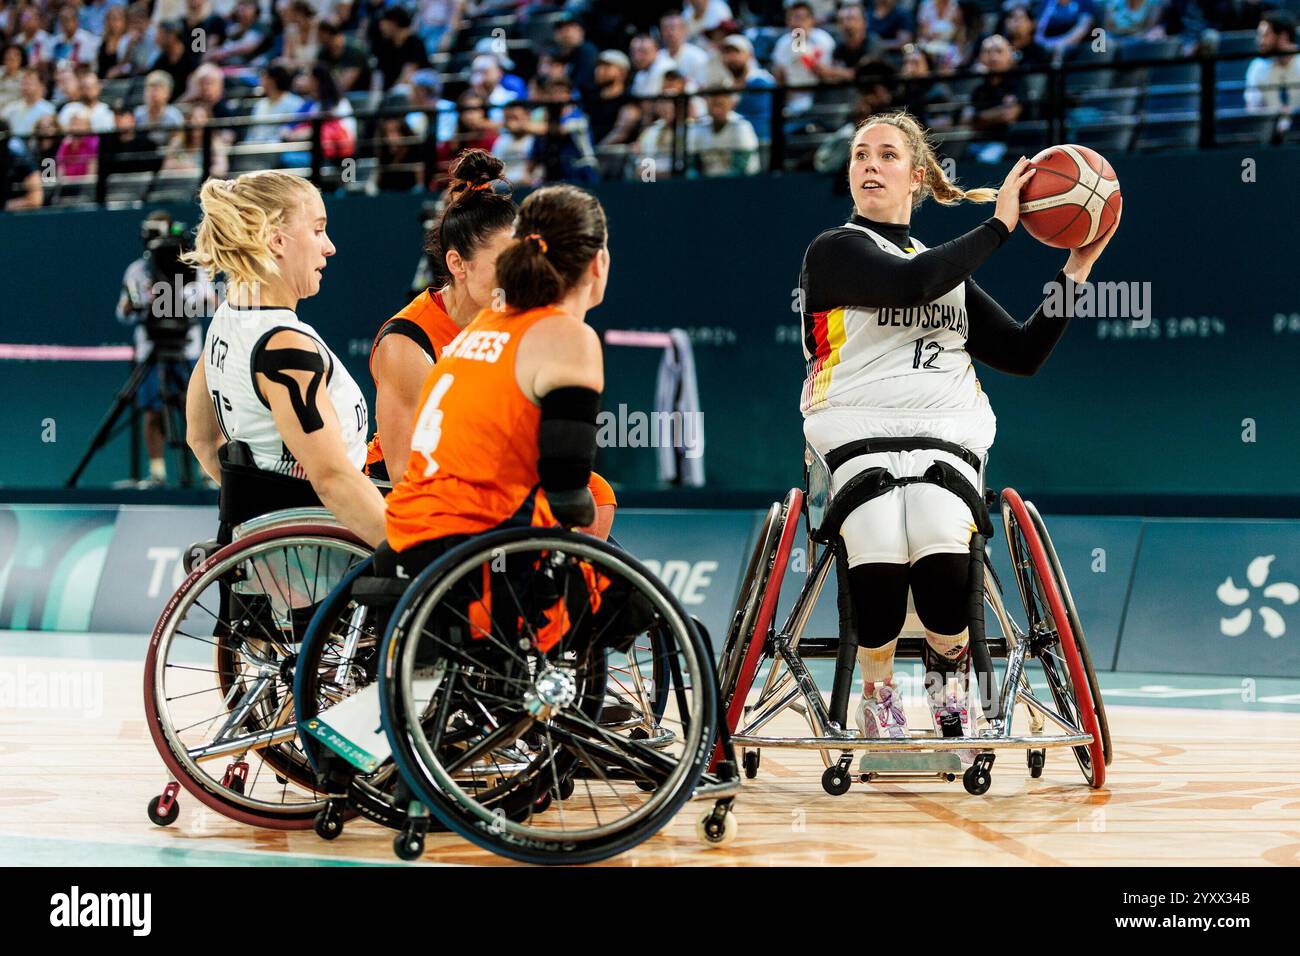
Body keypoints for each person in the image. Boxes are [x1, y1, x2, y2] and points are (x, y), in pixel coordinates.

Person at [797, 110, 1120, 742]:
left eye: (887, 155)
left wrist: (1076, 269)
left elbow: (1024, 354)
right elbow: (911, 282)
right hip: (856, 429)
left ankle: (950, 687)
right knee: (882, 559)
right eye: (861, 155)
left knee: (945, 558)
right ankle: (878, 695)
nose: (869, 165)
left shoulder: (950, 277)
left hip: (945, 431)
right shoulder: (835, 250)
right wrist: (1001, 223)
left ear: (917, 177)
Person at [380, 181, 610, 579]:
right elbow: (404, 468)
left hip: (443, 518)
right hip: (450, 519)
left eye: (517, 255)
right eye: (505, 258)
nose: (515, 269)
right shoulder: (408, 338)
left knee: (598, 493)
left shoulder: (494, 323)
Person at [184, 170, 385, 545]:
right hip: (319, 558)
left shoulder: (225, 320)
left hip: (269, 551)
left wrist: (251, 515)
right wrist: (411, 551)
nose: (329, 247)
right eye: (318, 230)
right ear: (277, 240)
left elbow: (200, 438)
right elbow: (332, 480)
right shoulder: (285, 348)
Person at [116, 210, 212, 484]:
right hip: (151, 348)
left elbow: (209, 303)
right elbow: (123, 312)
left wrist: (178, 295)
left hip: (188, 347)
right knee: (152, 408)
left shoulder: (194, 266)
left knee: (195, 409)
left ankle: (205, 471)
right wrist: (138, 301)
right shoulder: (136, 270)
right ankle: (157, 473)